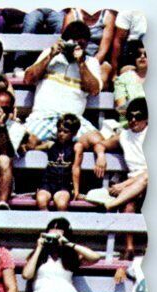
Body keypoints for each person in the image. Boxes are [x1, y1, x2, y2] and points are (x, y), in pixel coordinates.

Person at [21, 20, 109, 173]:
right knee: (23, 140)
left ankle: (48, 145)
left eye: (82, 44)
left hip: (73, 121)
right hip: (44, 117)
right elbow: (28, 78)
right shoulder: (50, 54)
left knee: (99, 140)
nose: (76, 47)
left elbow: (94, 89)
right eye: (73, 42)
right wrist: (51, 55)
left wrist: (81, 63)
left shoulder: (91, 62)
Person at [19, 218, 101, 292]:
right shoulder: (39, 256)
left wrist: (68, 244)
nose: (53, 240)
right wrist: (39, 248)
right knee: (52, 287)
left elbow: (95, 257)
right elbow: (26, 275)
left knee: (64, 286)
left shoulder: (71, 257)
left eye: (56, 237)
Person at [85, 98, 148, 212]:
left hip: (146, 181)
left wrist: (123, 184)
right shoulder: (124, 136)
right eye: (130, 116)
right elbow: (100, 145)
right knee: (128, 208)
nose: (133, 120)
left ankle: (110, 205)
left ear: (147, 118)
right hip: (134, 185)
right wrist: (100, 156)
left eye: (138, 116)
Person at [33, 114, 82, 211]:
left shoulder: (76, 146)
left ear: (74, 133)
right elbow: (34, 148)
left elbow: (76, 168)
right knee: (41, 200)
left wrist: (76, 190)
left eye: (65, 132)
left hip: (64, 184)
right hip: (47, 182)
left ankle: (60, 225)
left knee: (61, 204)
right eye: (59, 130)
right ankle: (45, 223)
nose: (61, 134)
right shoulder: (50, 145)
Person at [113, 42, 147, 115]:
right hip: (131, 121)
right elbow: (121, 108)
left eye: (146, 54)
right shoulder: (122, 79)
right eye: (138, 54)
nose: (142, 56)